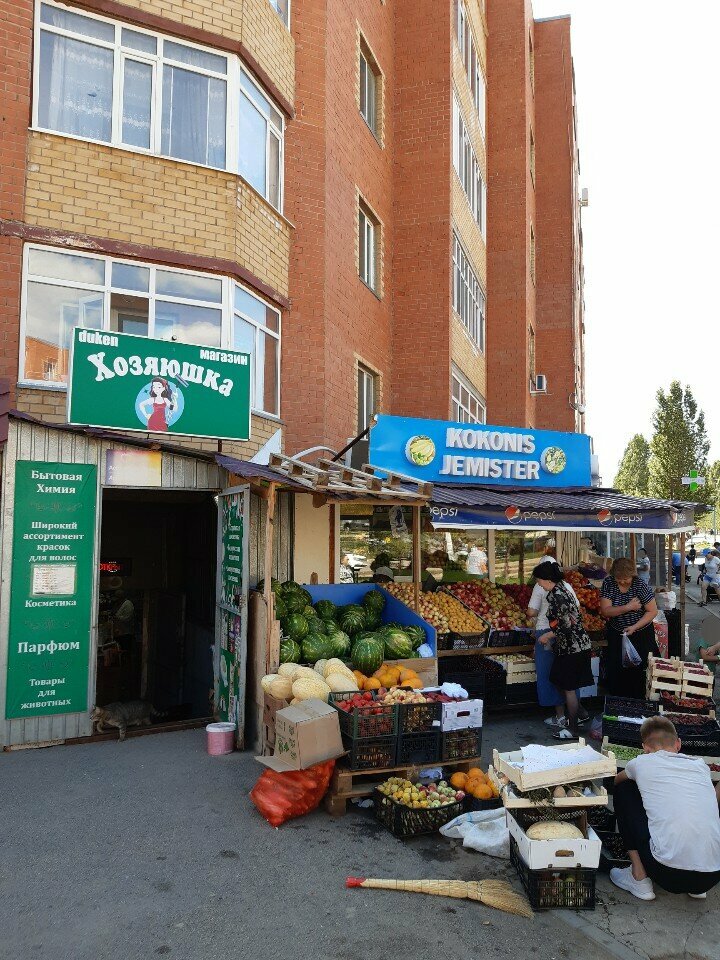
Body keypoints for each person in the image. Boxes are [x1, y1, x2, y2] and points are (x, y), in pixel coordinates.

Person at [611, 716, 720, 901]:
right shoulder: (700, 766)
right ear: (678, 744)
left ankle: (638, 877)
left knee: (624, 789)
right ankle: (696, 885)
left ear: (645, 748)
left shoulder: (641, 762)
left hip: (667, 873)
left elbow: (617, 780)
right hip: (712, 876)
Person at [534, 561, 594, 740]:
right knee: (558, 680)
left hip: (572, 647)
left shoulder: (557, 595)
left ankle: (573, 728)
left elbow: (565, 626)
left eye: (539, 580)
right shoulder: (562, 588)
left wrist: (547, 636)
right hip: (574, 645)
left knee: (568, 687)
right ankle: (580, 713)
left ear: (547, 579)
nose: (538, 584)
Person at [600, 558, 659, 699]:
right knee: (618, 670)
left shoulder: (640, 585)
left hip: (641, 634)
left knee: (641, 670)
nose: (622, 582)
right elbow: (606, 611)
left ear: (632, 575)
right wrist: (628, 607)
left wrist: (634, 627)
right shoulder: (608, 583)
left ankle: (643, 700)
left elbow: (652, 611)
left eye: (625, 579)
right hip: (617, 634)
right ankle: (619, 700)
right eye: (618, 578)